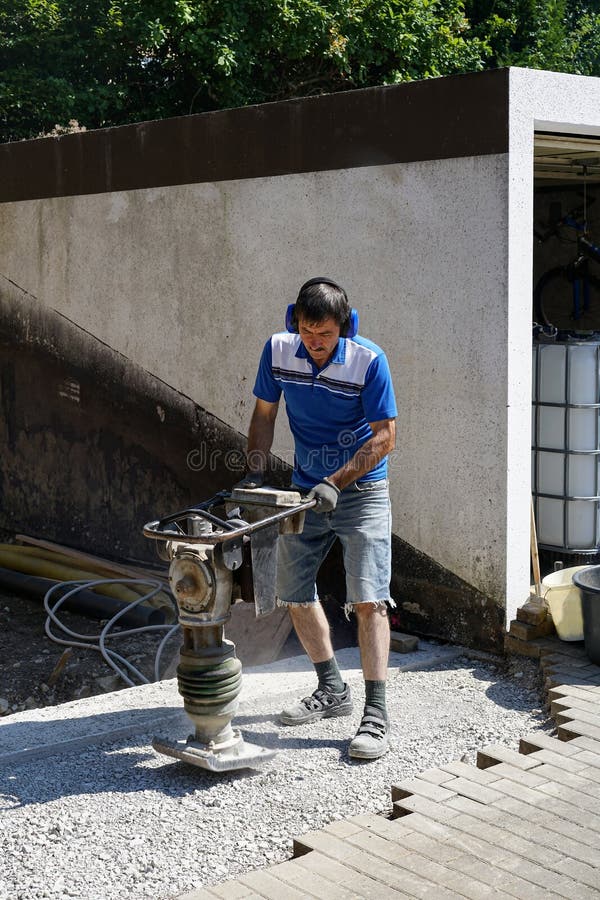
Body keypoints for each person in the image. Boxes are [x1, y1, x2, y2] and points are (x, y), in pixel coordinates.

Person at [238, 277, 397, 759]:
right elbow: (264, 415)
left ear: (344, 327)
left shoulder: (370, 360)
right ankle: (332, 689)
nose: (315, 343)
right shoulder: (278, 351)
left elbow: (386, 436)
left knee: (369, 597)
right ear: (295, 323)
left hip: (362, 488)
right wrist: (254, 476)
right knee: (292, 590)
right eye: (307, 332)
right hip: (306, 489)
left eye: (325, 334)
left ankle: (376, 713)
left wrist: (337, 481)